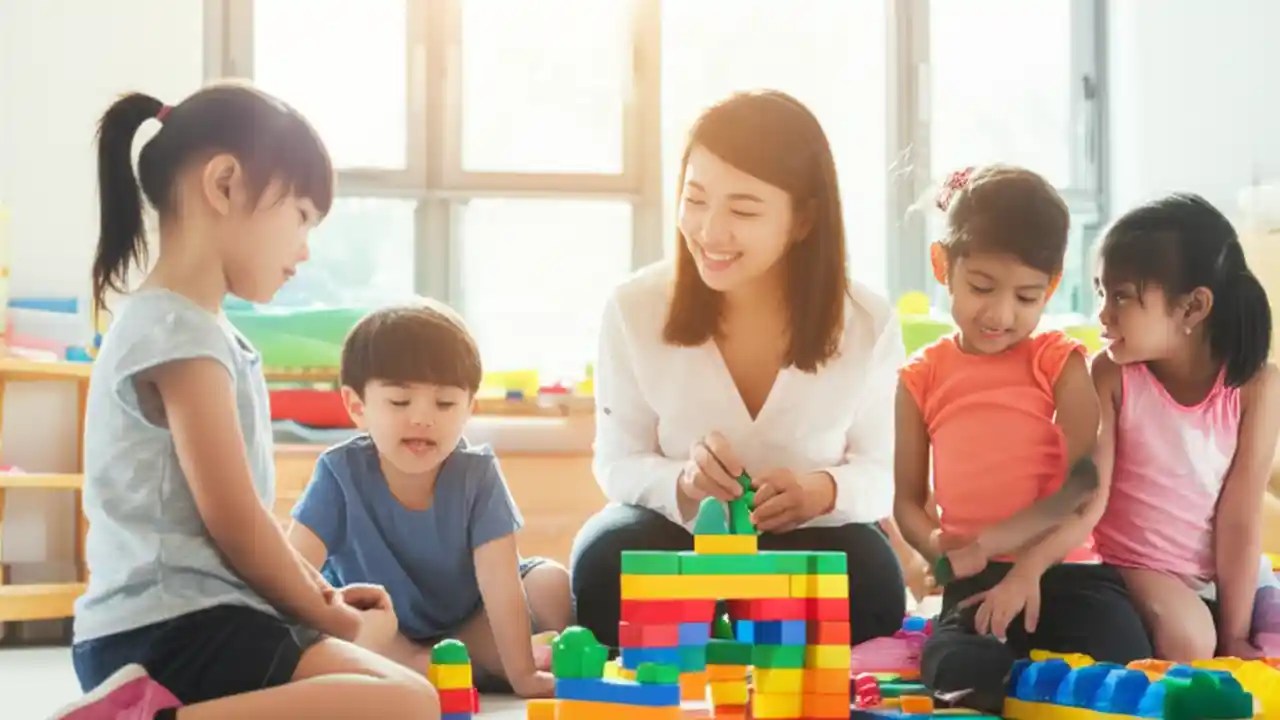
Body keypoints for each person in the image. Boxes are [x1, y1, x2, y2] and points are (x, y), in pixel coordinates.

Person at [53, 86, 438, 720]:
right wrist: (324, 616)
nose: (306, 248)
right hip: (170, 631)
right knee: (405, 702)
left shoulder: (195, 330)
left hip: (188, 623)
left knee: (393, 688)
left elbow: (244, 524)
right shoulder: (179, 334)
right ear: (226, 184)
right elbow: (234, 519)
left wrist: (321, 593)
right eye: (303, 216)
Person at [570, 90, 911, 649]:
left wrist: (821, 492)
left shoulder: (865, 320)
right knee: (605, 562)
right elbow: (617, 462)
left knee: (873, 579)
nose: (710, 231)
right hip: (680, 537)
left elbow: (879, 475)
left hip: (804, 539)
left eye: (744, 210)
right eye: (696, 200)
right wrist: (682, 482)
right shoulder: (635, 306)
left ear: (803, 220)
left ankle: (747, 634)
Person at [896, 165, 1151, 713]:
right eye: (981, 287)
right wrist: (937, 548)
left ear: (1052, 287)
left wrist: (1022, 563)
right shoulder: (920, 378)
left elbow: (1082, 483)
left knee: (1123, 655)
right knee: (952, 664)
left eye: (1027, 296)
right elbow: (907, 502)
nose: (1000, 314)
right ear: (944, 266)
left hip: (1065, 568)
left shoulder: (1058, 361)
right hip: (978, 580)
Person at [288, 302, 572, 698]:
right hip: (389, 628)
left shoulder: (477, 474)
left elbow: (501, 582)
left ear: (469, 409)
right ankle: (434, 664)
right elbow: (293, 573)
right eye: (400, 402)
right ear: (357, 406)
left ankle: (460, 663)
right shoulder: (339, 474)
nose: (422, 418)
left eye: (444, 404)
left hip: (470, 620)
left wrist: (523, 673)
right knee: (340, 626)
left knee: (551, 584)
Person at [1092, 193, 1280, 661]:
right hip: (1135, 565)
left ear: (1193, 307)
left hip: (1223, 571)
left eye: (1120, 297)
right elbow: (1086, 494)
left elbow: (1240, 515)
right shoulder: (1112, 374)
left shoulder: (1257, 384)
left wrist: (1236, 634)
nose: (1103, 313)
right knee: (1192, 640)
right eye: (1101, 292)